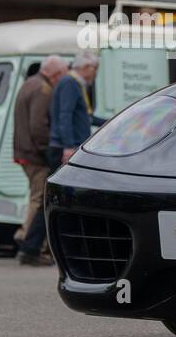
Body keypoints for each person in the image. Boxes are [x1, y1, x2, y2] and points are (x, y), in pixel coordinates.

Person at [12, 55, 68, 266]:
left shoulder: (30, 83)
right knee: (39, 199)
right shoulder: (43, 90)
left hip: (25, 152)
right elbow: (38, 127)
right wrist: (49, 152)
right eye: (61, 75)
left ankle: (26, 237)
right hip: (36, 155)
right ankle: (28, 240)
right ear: (55, 74)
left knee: (35, 196)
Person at [49, 49, 106, 168]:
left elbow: (85, 116)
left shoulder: (75, 83)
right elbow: (65, 115)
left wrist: (111, 122)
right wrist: (68, 146)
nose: (96, 74)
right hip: (66, 147)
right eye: (95, 68)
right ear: (86, 67)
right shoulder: (70, 83)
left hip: (70, 145)